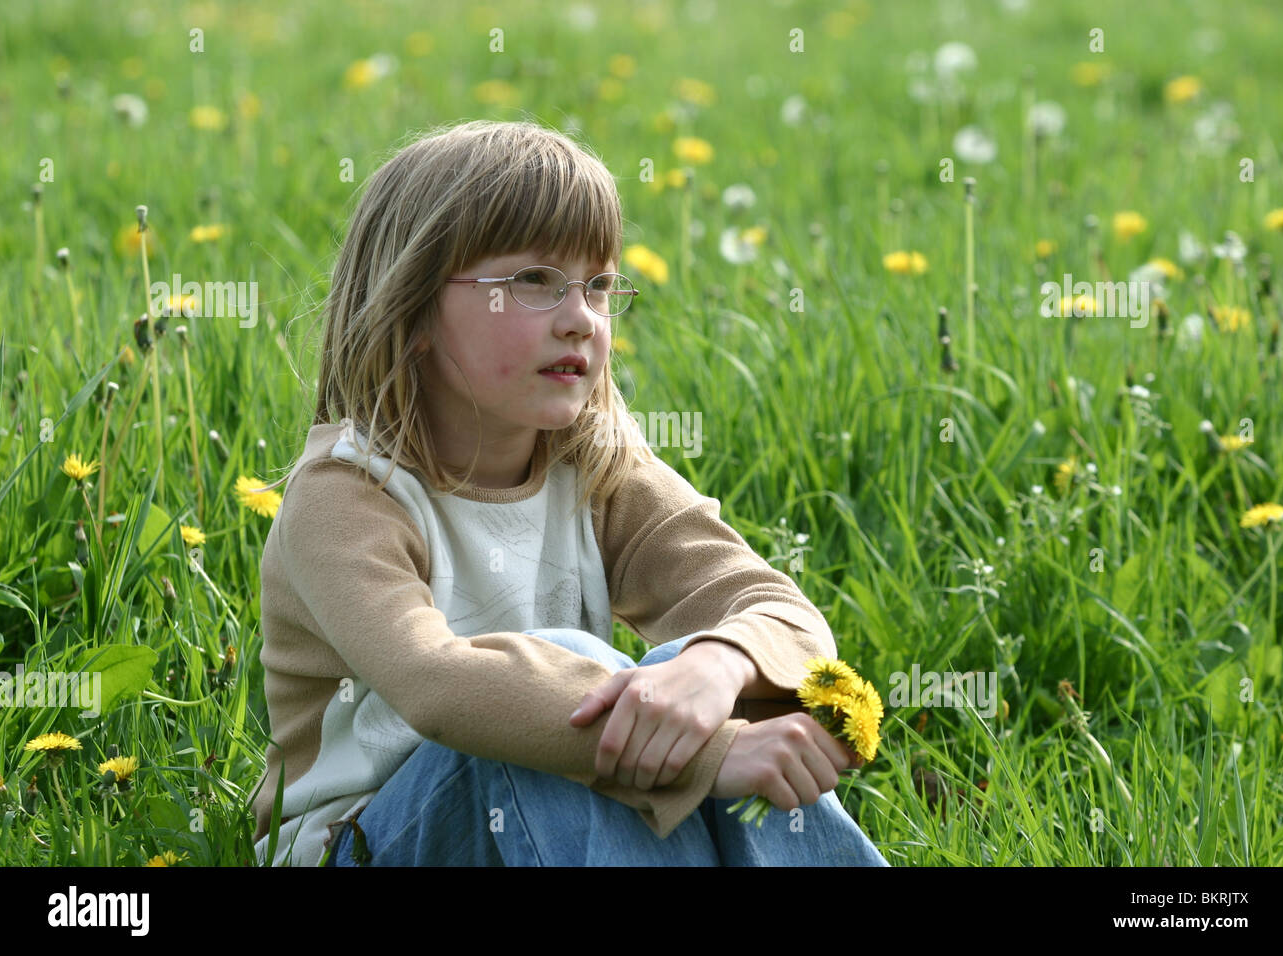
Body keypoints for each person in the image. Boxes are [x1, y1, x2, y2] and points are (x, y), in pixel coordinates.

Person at [249, 118, 888, 867]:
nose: (581, 317)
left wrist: (718, 669)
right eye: (533, 281)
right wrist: (710, 753)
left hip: (546, 825)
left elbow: (781, 613)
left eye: (600, 285)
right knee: (556, 680)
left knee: (710, 668)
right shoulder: (345, 495)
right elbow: (439, 689)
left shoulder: (594, 469)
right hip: (363, 844)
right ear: (414, 308)